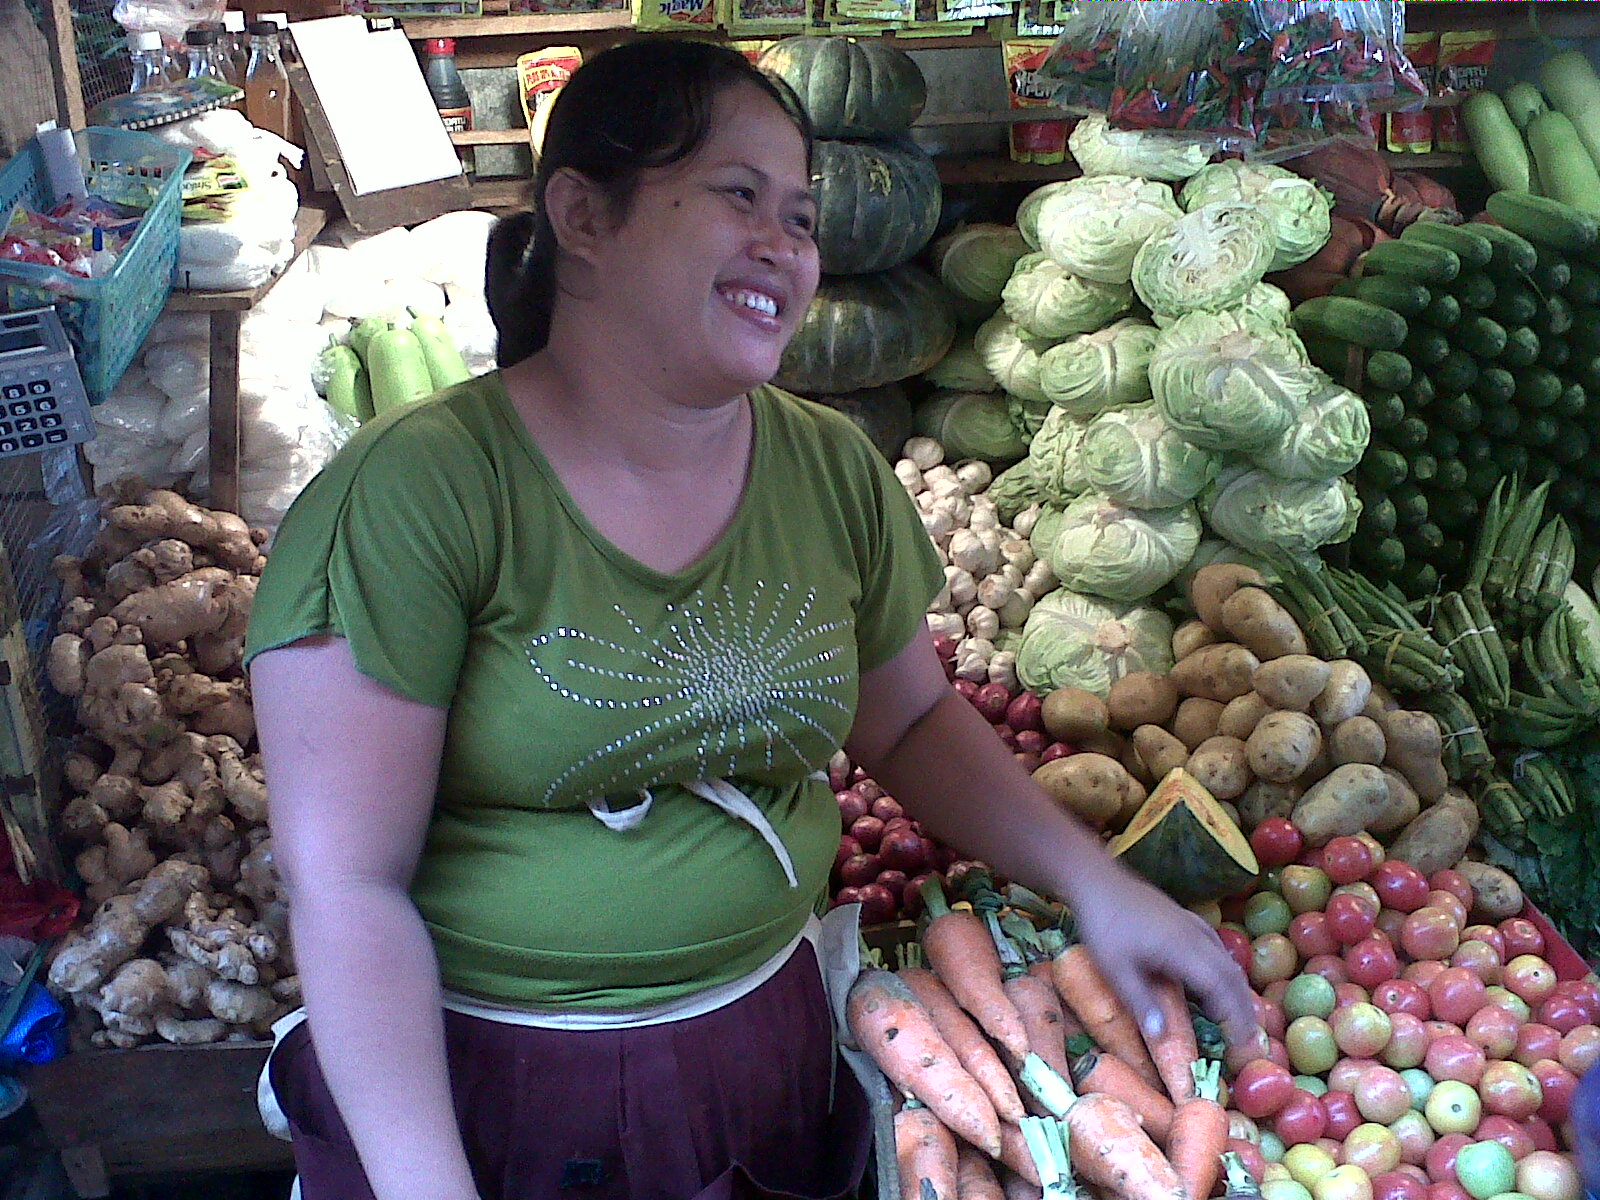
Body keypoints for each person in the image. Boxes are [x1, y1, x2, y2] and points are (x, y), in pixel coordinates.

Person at [245, 38, 1258, 1200]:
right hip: (486, 1093)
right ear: (581, 214)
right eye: (739, 197)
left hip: (765, 1059)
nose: (787, 245)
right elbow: (347, 889)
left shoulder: (829, 468)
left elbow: (915, 722)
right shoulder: (418, 495)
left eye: (803, 216)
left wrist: (1095, 882)